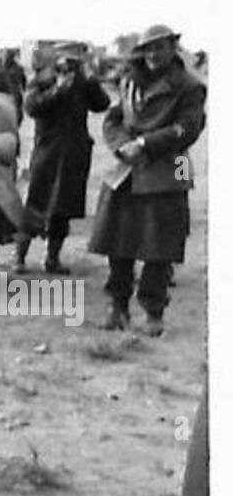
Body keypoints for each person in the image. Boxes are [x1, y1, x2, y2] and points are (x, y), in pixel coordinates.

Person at [88, 24, 206, 336]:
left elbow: (189, 128)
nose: (153, 54)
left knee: (160, 247)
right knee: (118, 244)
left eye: (160, 47)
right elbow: (113, 119)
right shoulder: (129, 80)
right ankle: (118, 307)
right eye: (148, 48)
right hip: (125, 169)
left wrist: (144, 144)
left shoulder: (189, 86)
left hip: (168, 167)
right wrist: (120, 145)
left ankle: (154, 312)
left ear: (173, 48)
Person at [12, 42, 110, 275]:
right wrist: (57, 90)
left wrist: (91, 81)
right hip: (48, 153)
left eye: (76, 59)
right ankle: (20, 257)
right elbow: (32, 107)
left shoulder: (84, 82)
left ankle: (52, 258)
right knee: (35, 205)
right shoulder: (43, 79)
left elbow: (102, 104)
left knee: (63, 209)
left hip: (74, 153)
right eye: (68, 59)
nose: (71, 64)